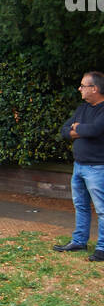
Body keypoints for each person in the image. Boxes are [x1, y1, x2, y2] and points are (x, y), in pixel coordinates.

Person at [53, 71, 104, 262]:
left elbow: (95, 130)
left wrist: (78, 128)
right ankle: (79, 241)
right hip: (79, 166)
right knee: (81, 206)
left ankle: (102, 247)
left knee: (102, 209)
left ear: (95, 88)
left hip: (98, 168)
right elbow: (64, 131)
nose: (79, 88)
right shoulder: (82, 108)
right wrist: (79, 129)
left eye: (83, 85)